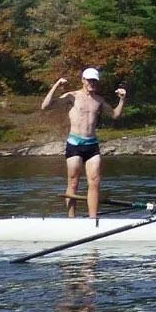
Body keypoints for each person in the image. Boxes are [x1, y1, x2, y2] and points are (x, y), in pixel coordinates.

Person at [39, 67, 127, 220]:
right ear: (83, 80)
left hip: (92, 145)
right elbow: (45, 106)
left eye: (95, 81)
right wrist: (56, 85)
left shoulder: (99, 100)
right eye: (89, 80)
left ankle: (93, 219)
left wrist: (122, 99)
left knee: (94, 181)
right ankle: (71, 219)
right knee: (73, 182)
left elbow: (115, 115)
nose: (92, 83)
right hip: (75, 144)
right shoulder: (72, 96)